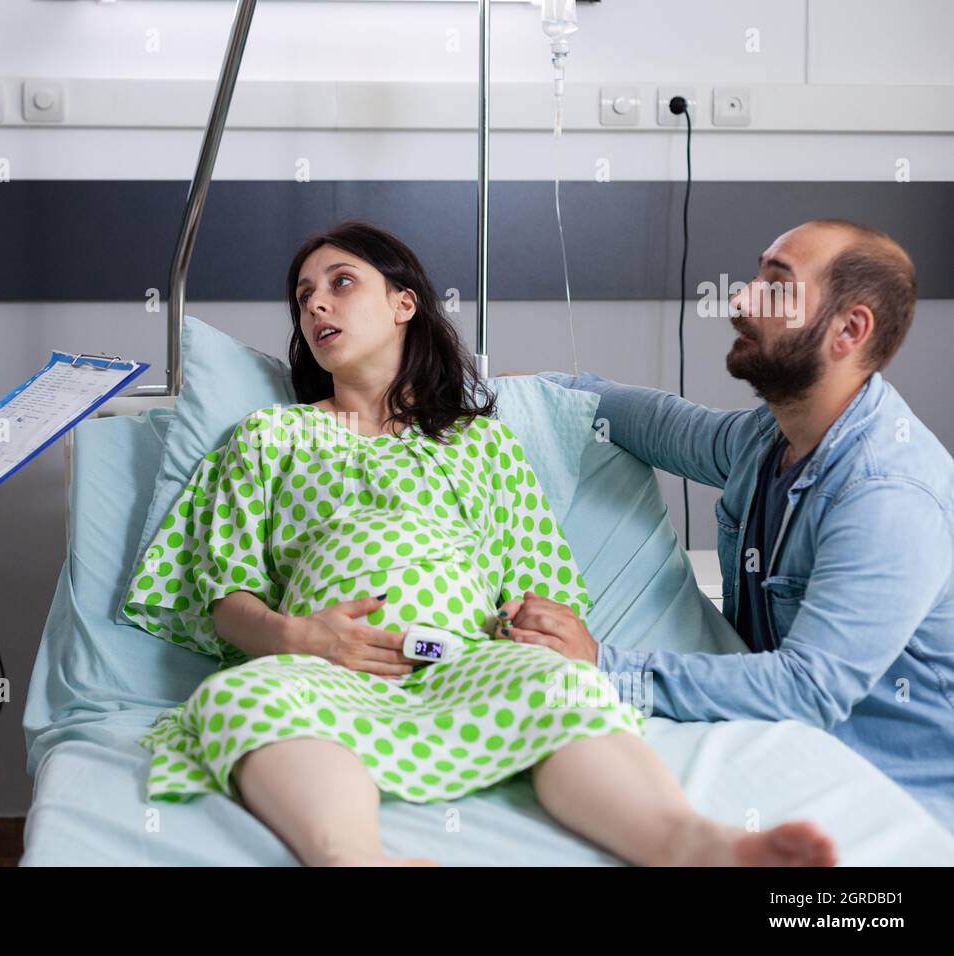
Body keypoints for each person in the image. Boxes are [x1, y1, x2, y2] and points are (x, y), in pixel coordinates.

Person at [121, 220, 837, 866]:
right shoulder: (270, 437)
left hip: (467, 661)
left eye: (341, 284)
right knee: (237, 700)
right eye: (304, 295)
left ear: (405, 304)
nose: (315, 305)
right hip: (322, 671)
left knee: (563, 686)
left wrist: (536, 627)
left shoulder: (480, 442)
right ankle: (352, 860)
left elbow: (538, 584)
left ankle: (697, 845)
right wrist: (302, 639)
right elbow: (226, 595)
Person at [522, 219, 954, 833]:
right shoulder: (772, 438)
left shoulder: (888, 496)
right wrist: (541, 394)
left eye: (776, 288)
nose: (741, 299)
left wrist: (601, 666)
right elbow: (664, 423)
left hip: (895, 802)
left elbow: (808, 688)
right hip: (781, 759)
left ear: (849, 330)